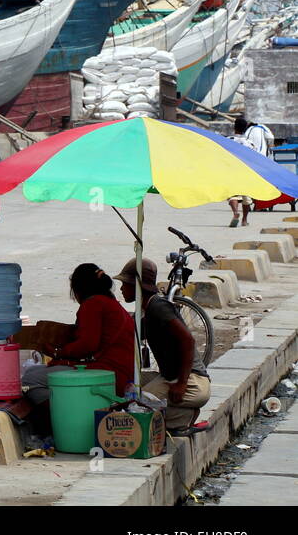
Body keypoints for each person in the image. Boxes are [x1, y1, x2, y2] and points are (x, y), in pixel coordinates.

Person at [21, 263, 137, 408]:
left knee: (30, 379)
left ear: (79, 289)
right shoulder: (111, 304)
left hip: (109, 374)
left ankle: (64, 415)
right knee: (34, 370)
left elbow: (88, 344)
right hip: (123, 375)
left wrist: (58, 352)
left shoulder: (93, 304)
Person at [115, 258, 211, 431]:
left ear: (137, 286)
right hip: (171, 378)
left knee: (136, 405)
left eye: (125, 284)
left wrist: (181, 384)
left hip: (192, 382)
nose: (121, 289)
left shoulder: (158, 307)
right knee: (131, 389)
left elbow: (188, 340)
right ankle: (181, 415)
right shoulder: (147, 311)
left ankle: (182, 418)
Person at [229, 115, 271, 226]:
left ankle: (235, 213)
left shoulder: (228, 140)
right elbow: (254, 157)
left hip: (232, 171)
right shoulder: (249, 143)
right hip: (246, 173)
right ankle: (244, 220)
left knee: (233, 195)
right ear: (245, 128)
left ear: (234, 127)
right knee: (246, 198)